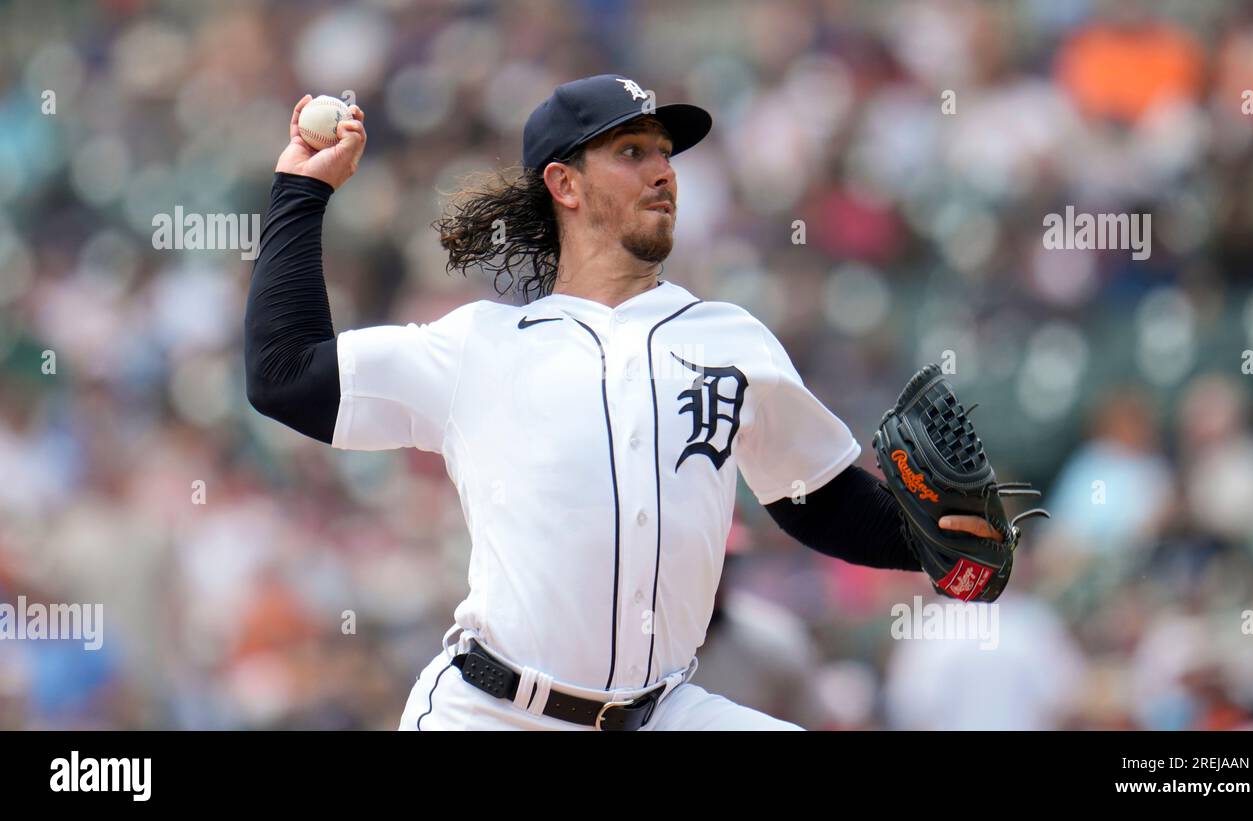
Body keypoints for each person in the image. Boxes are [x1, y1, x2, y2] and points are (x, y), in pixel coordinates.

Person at [244, 75, 1002, 730]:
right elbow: (285, 374)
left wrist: (926, 544)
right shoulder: (480, 346)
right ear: (564, 184)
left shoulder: (730, 338)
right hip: (492, 708)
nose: (663, 172)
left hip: (662, 709)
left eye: (667, 154)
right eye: (632, 152)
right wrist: (301, 191)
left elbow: (813, 497)